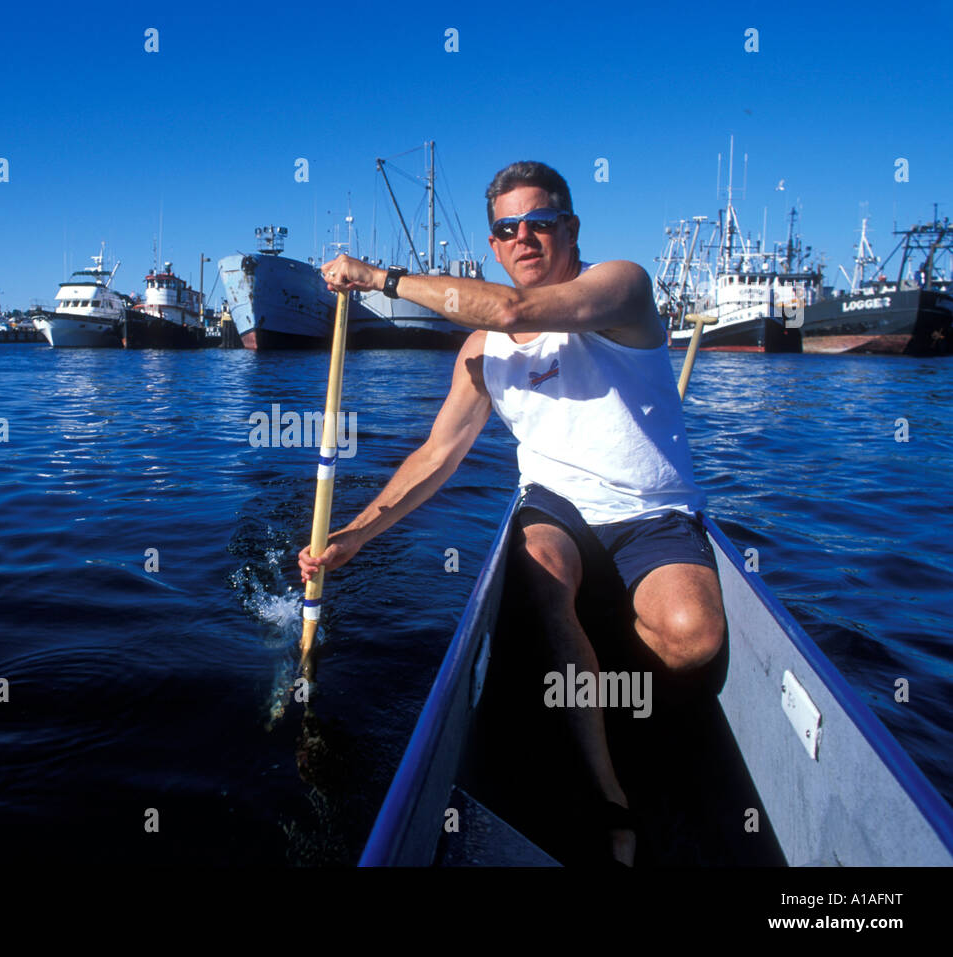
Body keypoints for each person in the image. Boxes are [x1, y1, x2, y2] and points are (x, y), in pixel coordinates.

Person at [297, 161, 726, 866]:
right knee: (545, 576)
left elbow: (513, 310)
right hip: (555, 505)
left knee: (694, 636)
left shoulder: (622, 286)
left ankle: (606, 665)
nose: (523, 237)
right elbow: (435, 457)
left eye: (540, 222)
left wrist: (379, 278)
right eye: (507, 229)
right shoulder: (483, 354)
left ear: (571, 228)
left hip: (650, 511)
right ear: (494, 245)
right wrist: (352, 537)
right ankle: (609, 794)